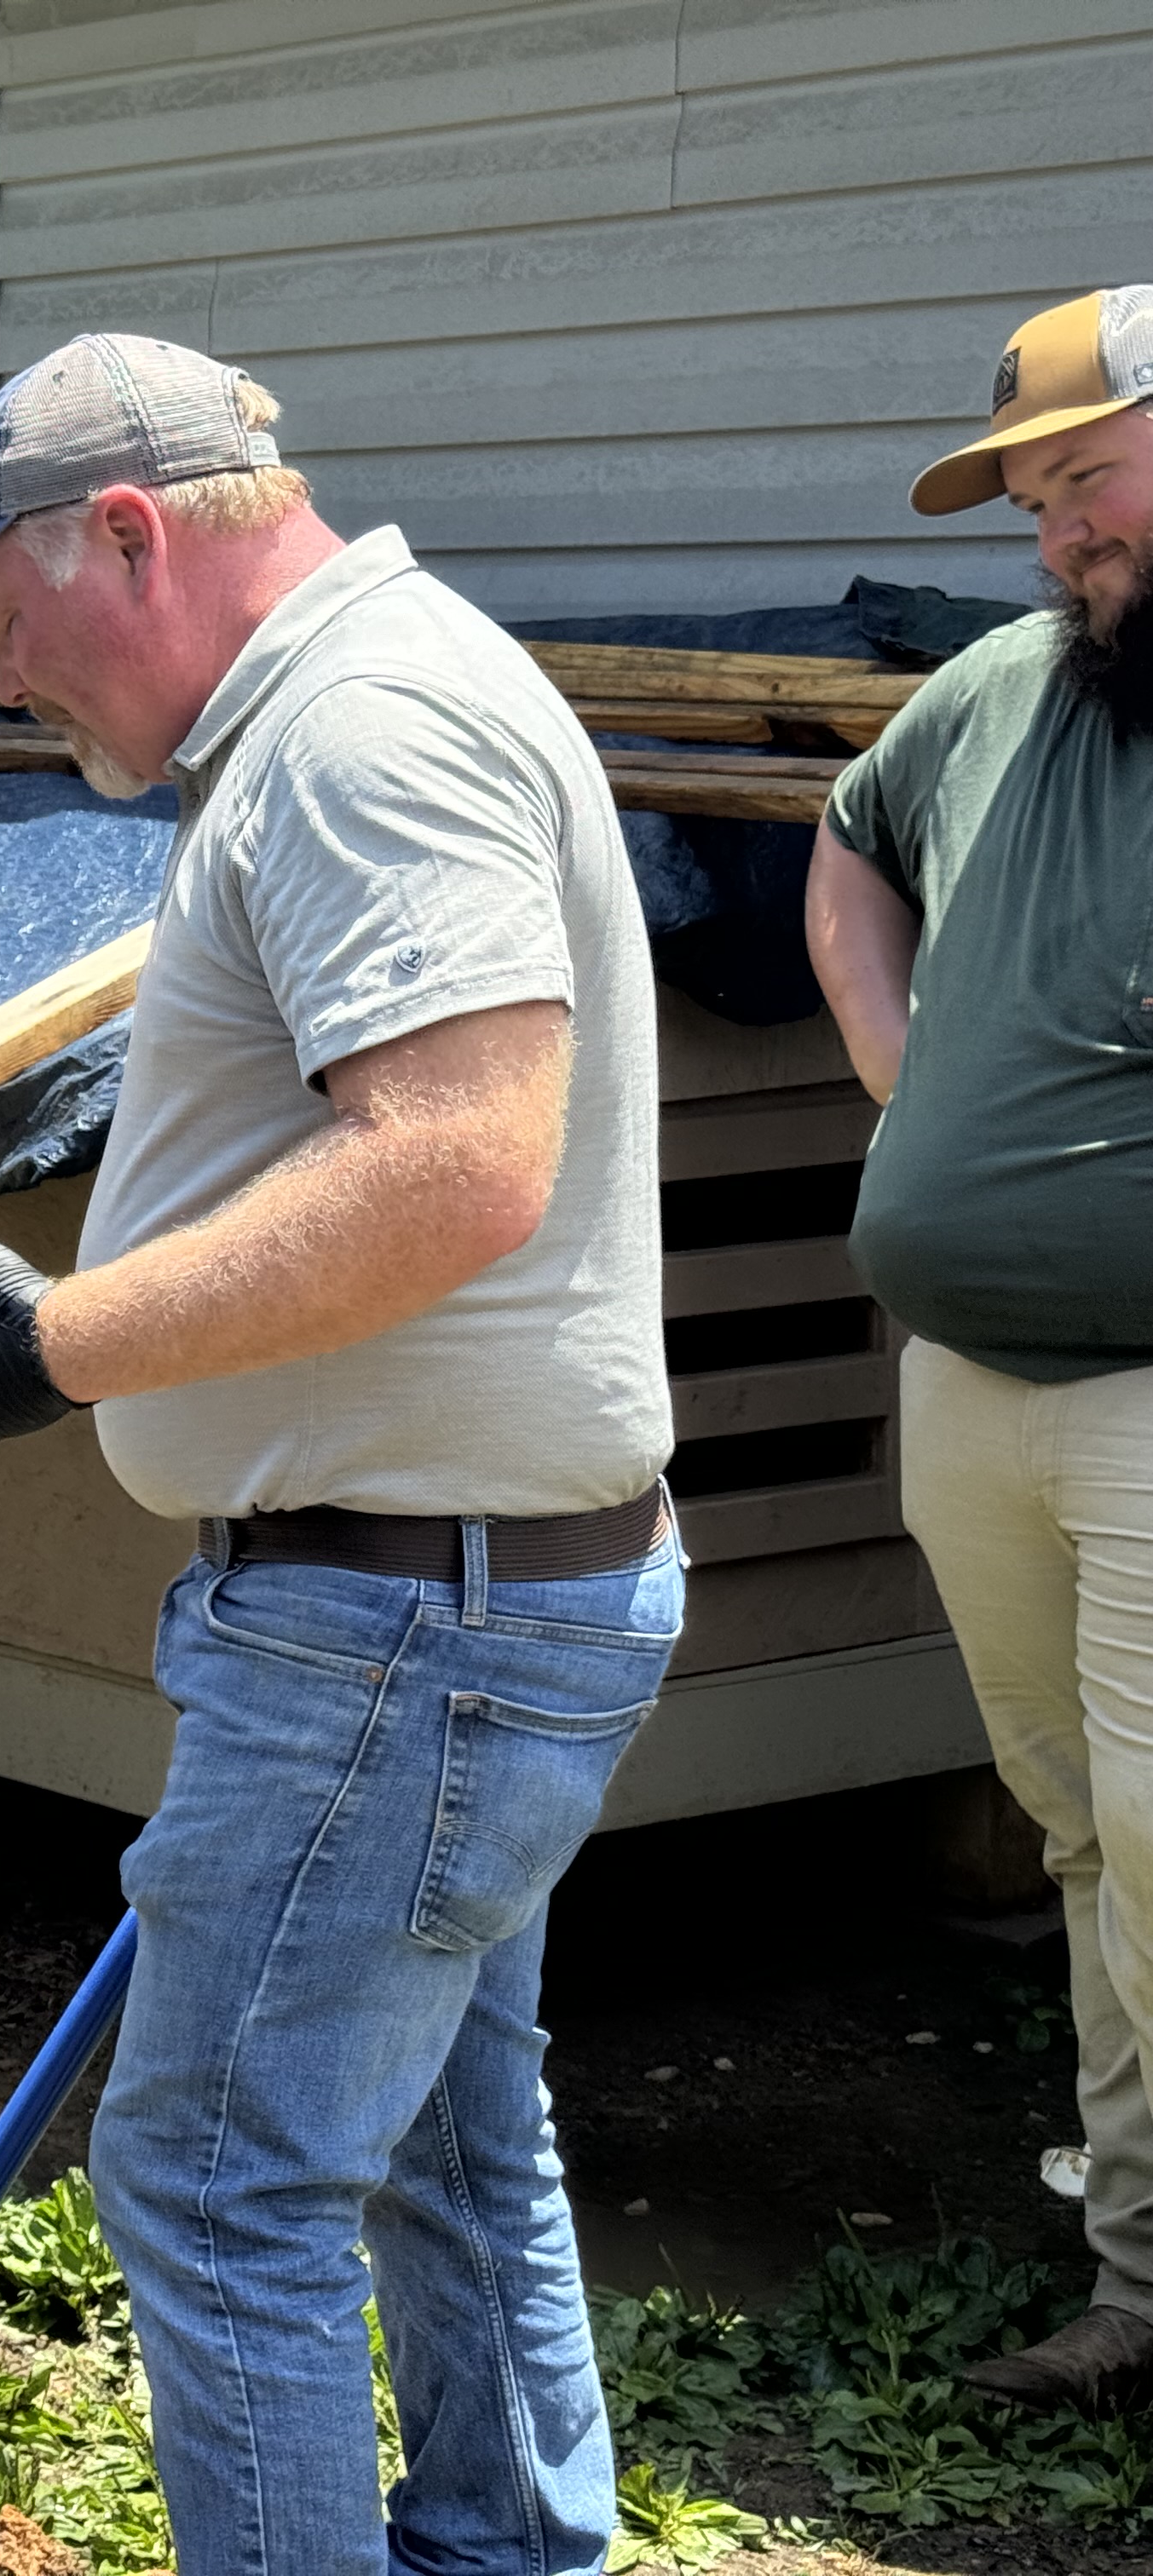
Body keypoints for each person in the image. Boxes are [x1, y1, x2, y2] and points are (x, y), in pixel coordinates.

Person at [0, 337, 677, 2570]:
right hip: (456, 1595)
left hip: (406, 1625)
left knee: (218, 2181)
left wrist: (69, 1342)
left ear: (130, 533)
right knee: (448, 2140)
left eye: (12, 639)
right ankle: (508, 2553)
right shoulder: (353, 709)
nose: (15, 699)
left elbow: (461, 1163)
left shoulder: (364, 732)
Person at [806, 286, 1153, 2418]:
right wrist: (901, 1078)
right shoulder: (1006, 687)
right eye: (1036, 506)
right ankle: (1136, 2288)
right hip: (972, 1386)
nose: (1054, 543)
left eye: (1087, 488)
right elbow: (845, 855)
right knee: (1086, 1840)